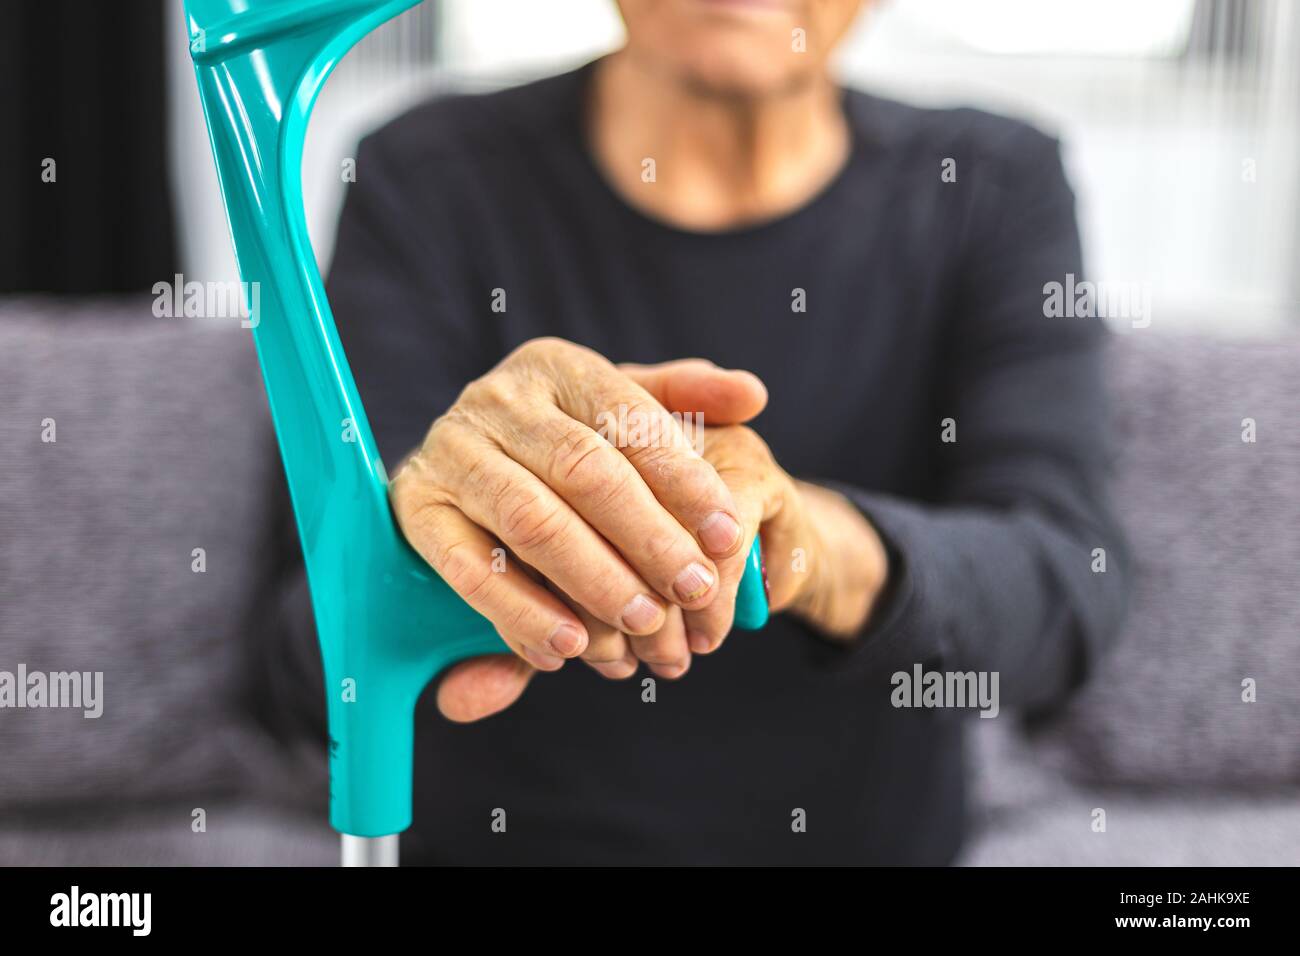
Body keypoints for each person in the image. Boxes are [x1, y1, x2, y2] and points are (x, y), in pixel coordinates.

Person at [263, 0, 1129, 864]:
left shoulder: (993, 184)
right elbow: (301, 653)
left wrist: (809, 545)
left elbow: (1064, 595)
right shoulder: (425, 175)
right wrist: (456, 537)